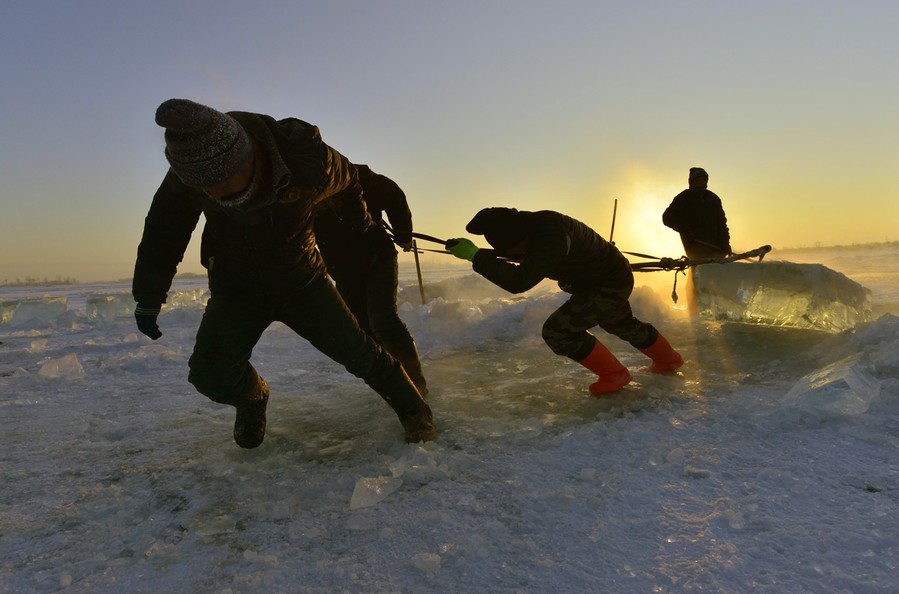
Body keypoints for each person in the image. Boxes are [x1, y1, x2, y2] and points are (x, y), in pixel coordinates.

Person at [132, 98, 435, 449]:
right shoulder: (190, 171)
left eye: (223, 181)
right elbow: (163, 231)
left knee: (361, 353)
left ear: (247, 157)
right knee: (209, 374)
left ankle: (416, 412)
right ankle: (252, 398)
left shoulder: (307, 158)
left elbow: (352, 179)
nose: (214, 193)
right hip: (236, 287)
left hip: (302, 281)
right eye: (204, 188)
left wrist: (358, 217)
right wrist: (149, 296)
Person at [445, 208, 683, 395]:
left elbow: (519, 281)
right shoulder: (534, 227)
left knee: (558, 331)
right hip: (601, 278)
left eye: (515, 250)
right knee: (620, 323)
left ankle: (615, 374)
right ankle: (668, 359)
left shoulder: (550, 236)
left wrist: (476, 256)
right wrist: (483, 255)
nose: (517, 255)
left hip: (608, 281)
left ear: (518, 237)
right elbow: (526, 259)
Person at [314, 164, 429, 396]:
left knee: (383, 319)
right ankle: (393, 380)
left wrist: (403, 233)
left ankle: (416, 384)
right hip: (343, 268)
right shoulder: (290, 190)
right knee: (361, 329)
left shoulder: (350, 174)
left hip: (377, 256)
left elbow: (393, 195)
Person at [662, 167, 732, 259]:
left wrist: (725, 244)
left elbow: (722, 224)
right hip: (695, 248)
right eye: (699, 180)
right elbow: (667, 217)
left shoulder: (713, 199)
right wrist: (686, 230)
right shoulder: (684, 198)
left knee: (719, 270)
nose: (702, 183)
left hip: (717, 249)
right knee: (700, 270)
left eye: (704, 180)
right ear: (692, 182)